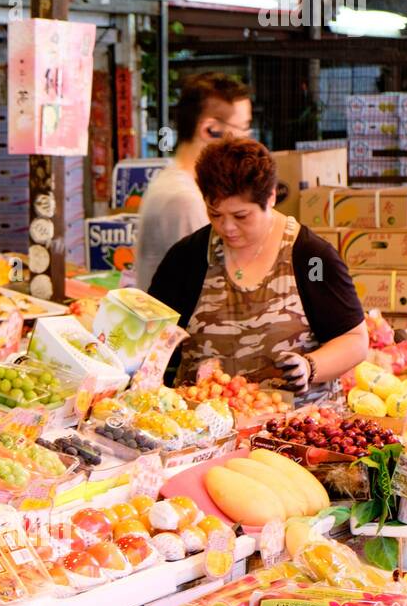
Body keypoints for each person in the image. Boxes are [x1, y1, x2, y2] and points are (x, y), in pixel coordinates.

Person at [148, 138, 368, 398]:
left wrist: (309, 366)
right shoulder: (188, 257)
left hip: (290, 428)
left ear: (271, 197)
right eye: (215, 214)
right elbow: (151, 338)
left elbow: (354, 340)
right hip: (204, 427)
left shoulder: (311, 259)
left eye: (241, 216)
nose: (227, 227)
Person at [135, 72, 252, 291]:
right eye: (243, 128)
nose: (248, 139)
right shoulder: (183, 198)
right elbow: (207, 287)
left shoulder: (187, 186)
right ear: (210, 129)